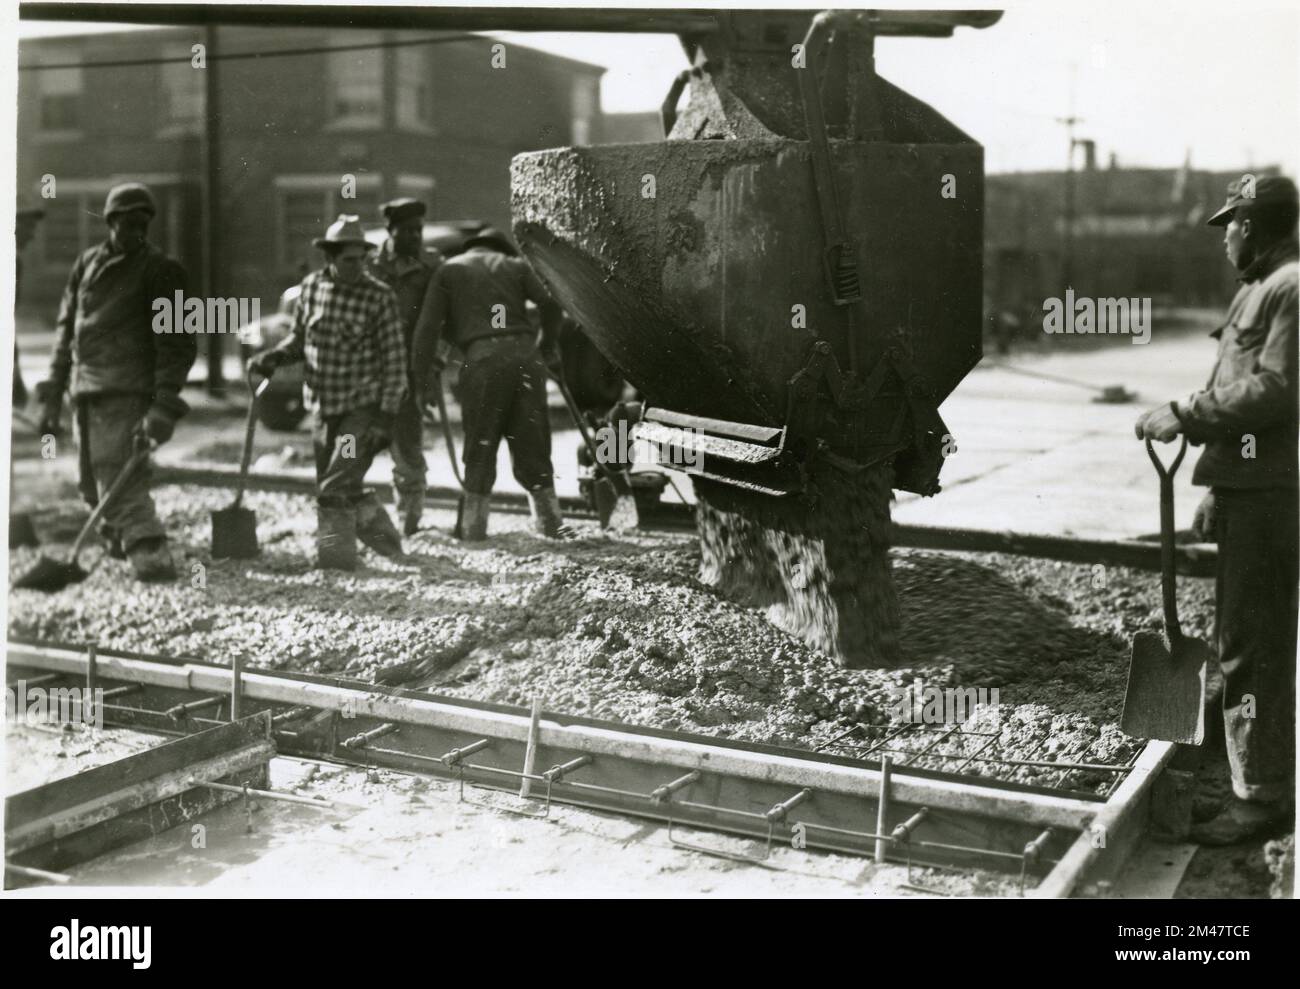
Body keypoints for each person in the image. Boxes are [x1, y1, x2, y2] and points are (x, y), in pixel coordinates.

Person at [1134, 174, 1298, 845]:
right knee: (1246, 643)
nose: (1224, 235)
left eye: (1230, 223)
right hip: (1248, 491)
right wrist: (1216, 485)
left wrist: (1184, 414)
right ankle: (1248, 782)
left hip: (1273, 501)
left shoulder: (1289, 288)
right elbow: (1246, 391)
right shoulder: (1260, 289)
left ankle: (1258, 801)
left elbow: (1279, 389)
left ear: (1253, 226)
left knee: (1251, 651)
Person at [36, 182, 195, 581]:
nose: (135, 230)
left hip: (128, 393)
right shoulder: (86, 264)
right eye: (126, 221)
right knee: (89, 484)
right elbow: (65, 332)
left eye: (143, 222)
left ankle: (152, 556)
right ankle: (118, 542)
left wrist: (164, 404)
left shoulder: (162, 270)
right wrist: (52, 394)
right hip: (84, 391)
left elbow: (177, 343)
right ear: (110, 222)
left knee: (120, 478)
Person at [248, 215, 407, 570]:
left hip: (360, 409)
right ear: (330, 259)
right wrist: (273, 356)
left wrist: (385, 416)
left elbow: (395, 362)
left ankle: (336, 561)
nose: (357, 267)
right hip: (321, 408)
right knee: (338, 484)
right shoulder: (310, 289)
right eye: (348, 260)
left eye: (361, 259)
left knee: (336, 483)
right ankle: (391, 546)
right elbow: (300, 340)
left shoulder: (378, 298)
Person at [409, 226, 567, 540]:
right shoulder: (516, 265)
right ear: (500, 249)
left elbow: (427, 328)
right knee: (533, 443)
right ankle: (551, 527)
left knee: (480, 445)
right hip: (525, 357)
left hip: (482, 360)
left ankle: (473, 529)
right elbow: (551, 303)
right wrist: (547, 346)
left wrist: (422, 377)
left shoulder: (449, 270)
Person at [366, 198, 444, 535]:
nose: (415, 236)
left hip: (411, 372)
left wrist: (433, 368)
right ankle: (356, 520)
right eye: (407, 231)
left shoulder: (431, 266)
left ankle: (409, 522)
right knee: (359, 443)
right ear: (390, 230)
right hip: (370, 372)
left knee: (408, 449)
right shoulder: (369, 265)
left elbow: (441, 322)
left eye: (419, 230)